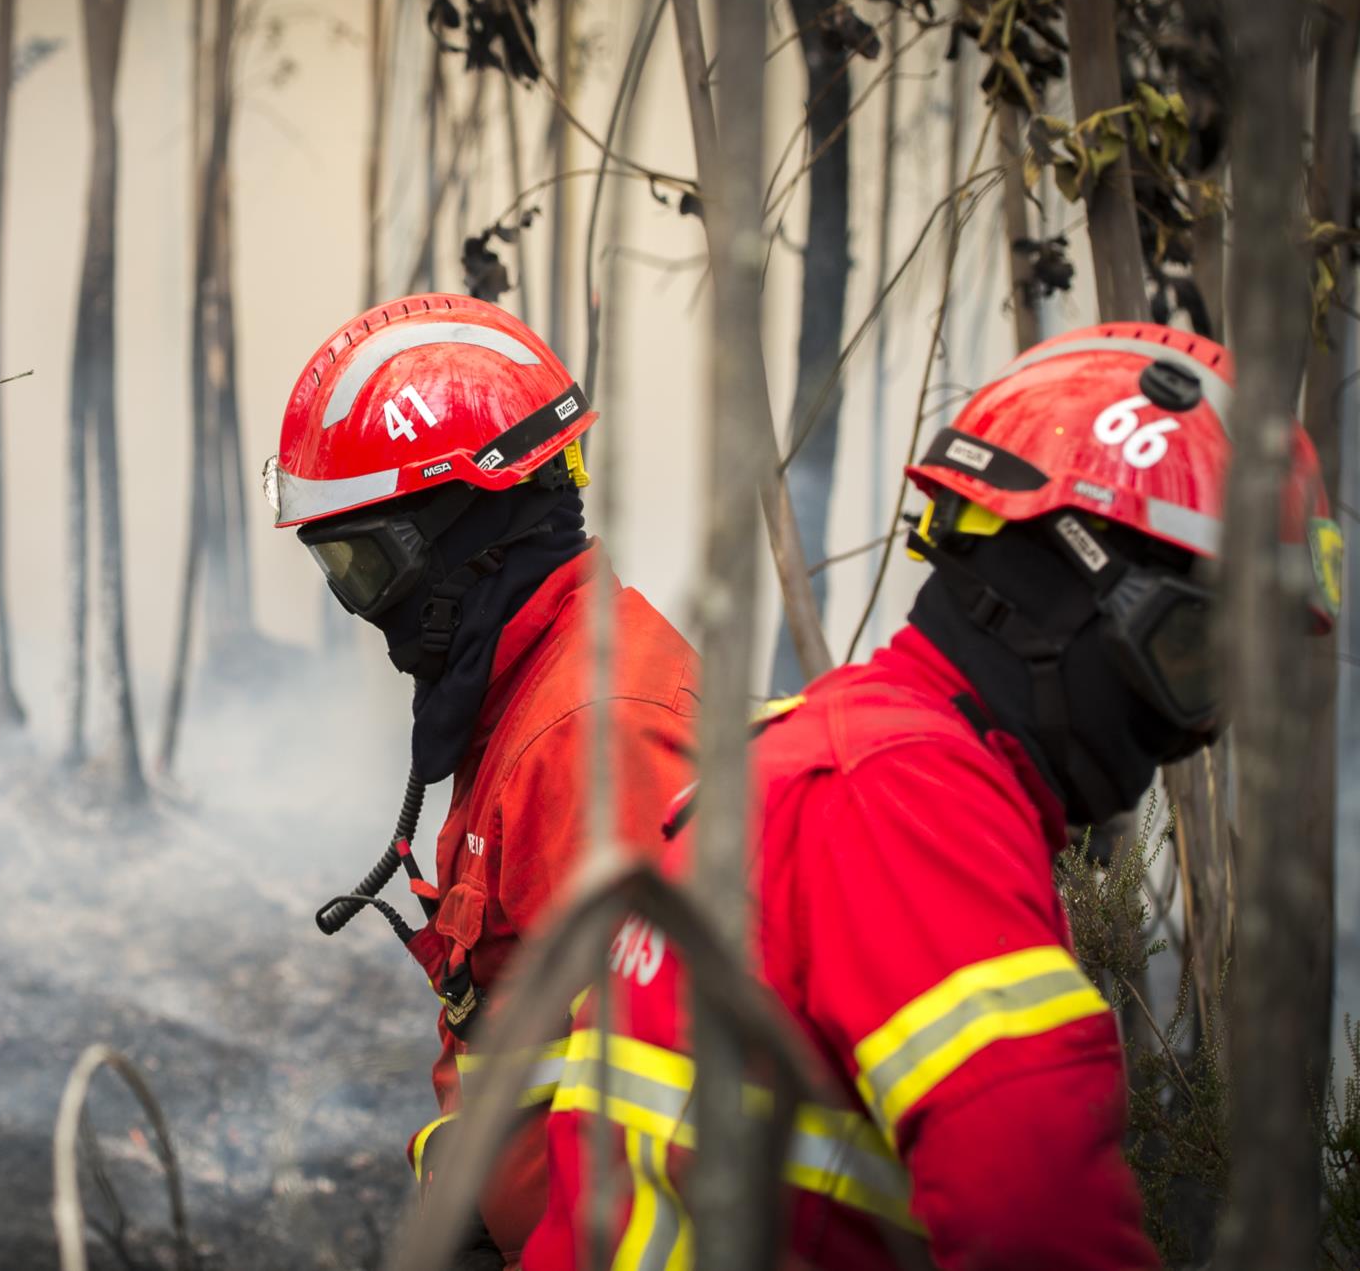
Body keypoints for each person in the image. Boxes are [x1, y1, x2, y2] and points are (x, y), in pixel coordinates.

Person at [520, 322, 1342, 1271]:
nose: (1191, 733)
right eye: (1189, 661)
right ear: (1056, 591)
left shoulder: (817, 754)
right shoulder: (908, 805)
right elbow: (1036, 1226)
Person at [264, 293, 702, 1266]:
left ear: (465, 530)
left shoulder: (597, 742)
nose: (357, 609)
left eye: (362, 567)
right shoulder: (529, 691)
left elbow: (664, 1132)